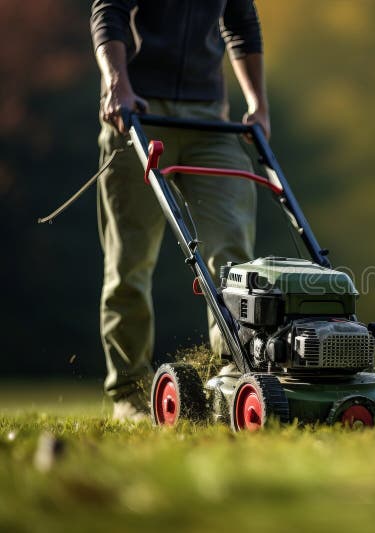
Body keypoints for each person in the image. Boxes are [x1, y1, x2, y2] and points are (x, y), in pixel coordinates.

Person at [90, 1, 270, 420]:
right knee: (129, 262)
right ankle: (130, 394)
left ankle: (230, 379)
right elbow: (108, 9)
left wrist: (258, 105)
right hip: (138, 110)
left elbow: (240, 22)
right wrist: (116, 82)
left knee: (234, 258)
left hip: (210, 118)